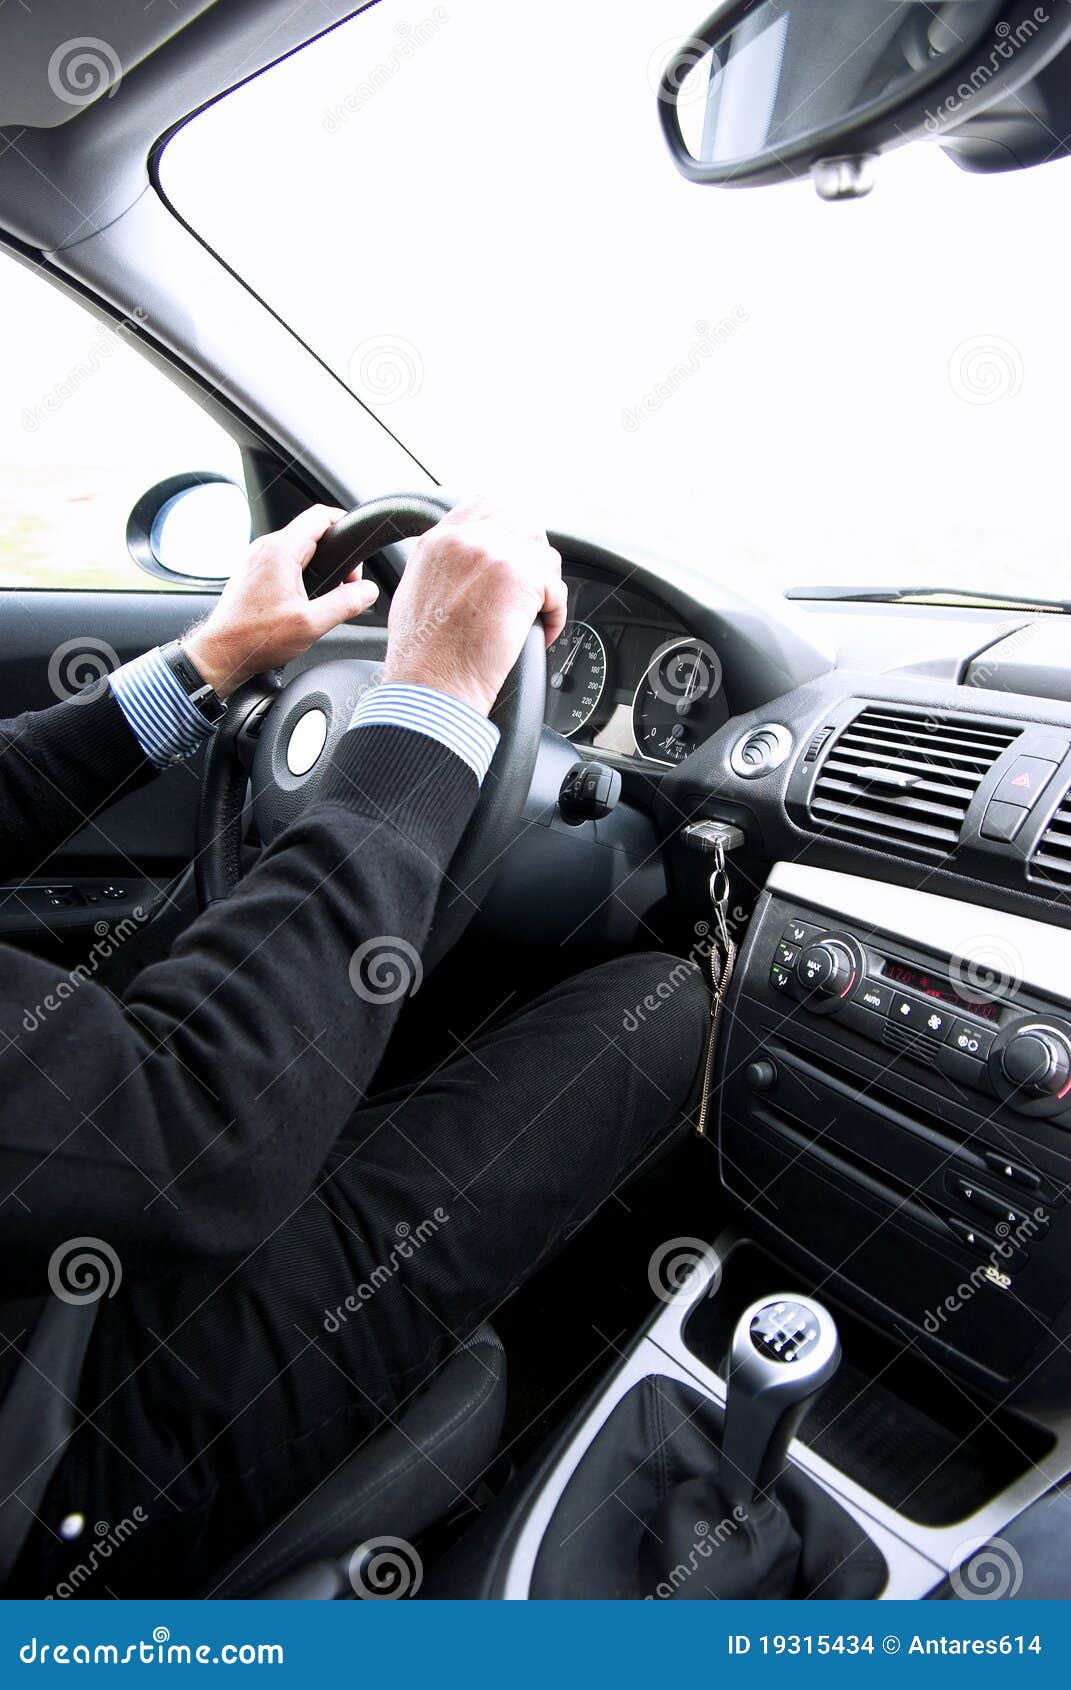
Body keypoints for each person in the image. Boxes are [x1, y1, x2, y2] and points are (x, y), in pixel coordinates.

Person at [0, 497, 708, 1596]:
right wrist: (433, 702)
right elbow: (192, 1133)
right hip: (55, 1439)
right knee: (658, 1010)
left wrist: (211, 658)